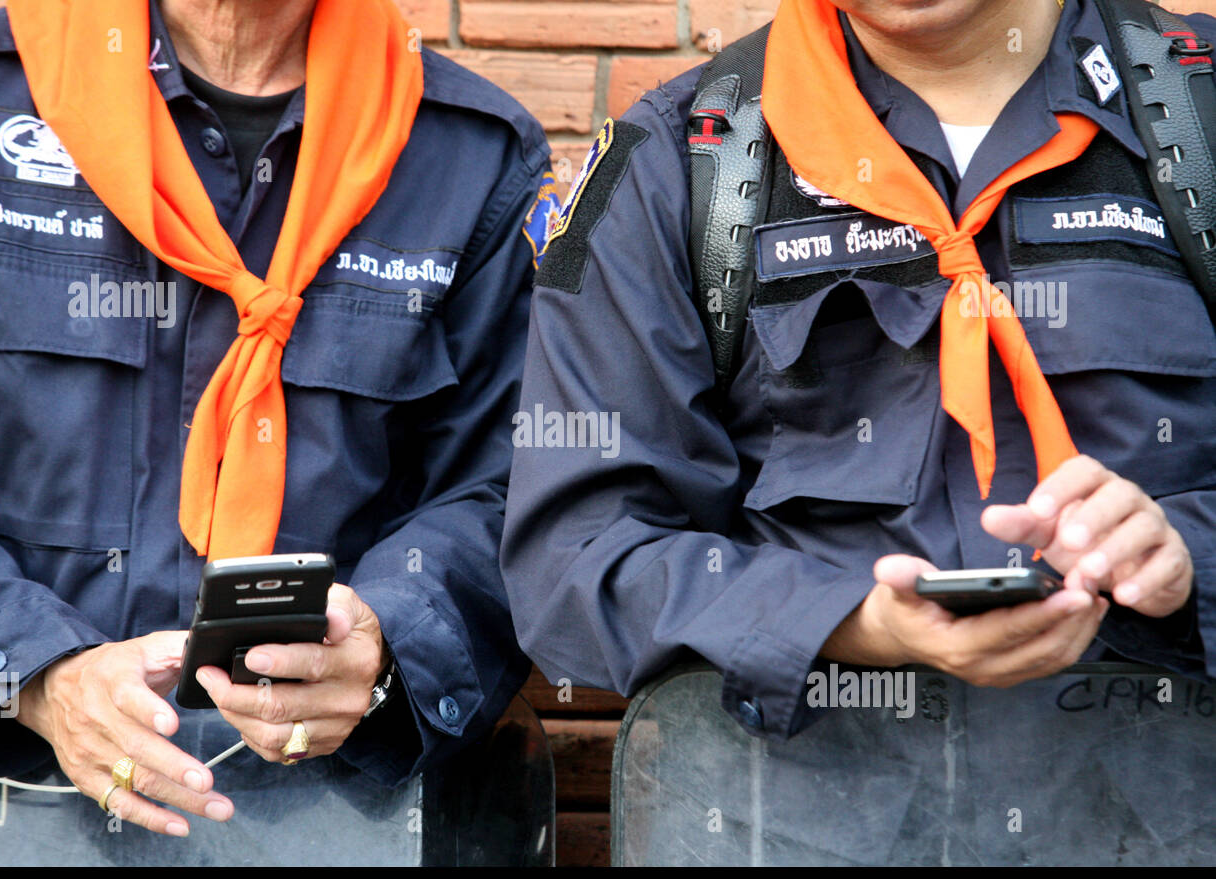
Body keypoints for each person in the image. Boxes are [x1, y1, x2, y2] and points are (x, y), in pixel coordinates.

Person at [0, 0, 552, 838]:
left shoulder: (471, 155)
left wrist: (388, 643)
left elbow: (511, 486)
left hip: (341, 811)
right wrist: (36, 673)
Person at [502, 0, 1215, 741]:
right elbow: (575, 561)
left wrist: (1186, 555)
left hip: (1166, 808)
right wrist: (850, 622)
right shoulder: (680, 160)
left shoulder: (1197, 115)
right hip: (810, 823)